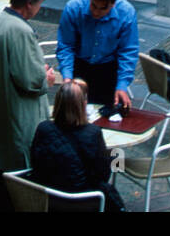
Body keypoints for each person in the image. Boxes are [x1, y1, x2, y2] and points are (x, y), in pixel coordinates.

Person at [0, 0, 57, 184]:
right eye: (39, 4)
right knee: (22, 179)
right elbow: (29, 80)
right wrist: (46, 78)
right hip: (18, 117)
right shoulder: (20, 30)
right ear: (30, 3)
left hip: (1, 113)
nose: (39, 8)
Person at [29, 79, 124, 211]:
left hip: (48, 198)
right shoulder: (93, 133)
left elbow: (35, 162)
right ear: (82, 105)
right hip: (82, 201)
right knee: (118, 155)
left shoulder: (43, 128)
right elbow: (102, 176)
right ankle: (120, 173)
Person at [55, 0, 139, 108]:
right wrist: (67, 77)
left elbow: (128, 51)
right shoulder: (74, 7)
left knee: (105, 113)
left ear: (113, 4)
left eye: (103, 8)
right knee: (73, 111)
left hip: (108, 67)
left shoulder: (127, 13)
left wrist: (122, 85)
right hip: (80, 64)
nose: (96, 12)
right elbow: (66, 45)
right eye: (93, 5)